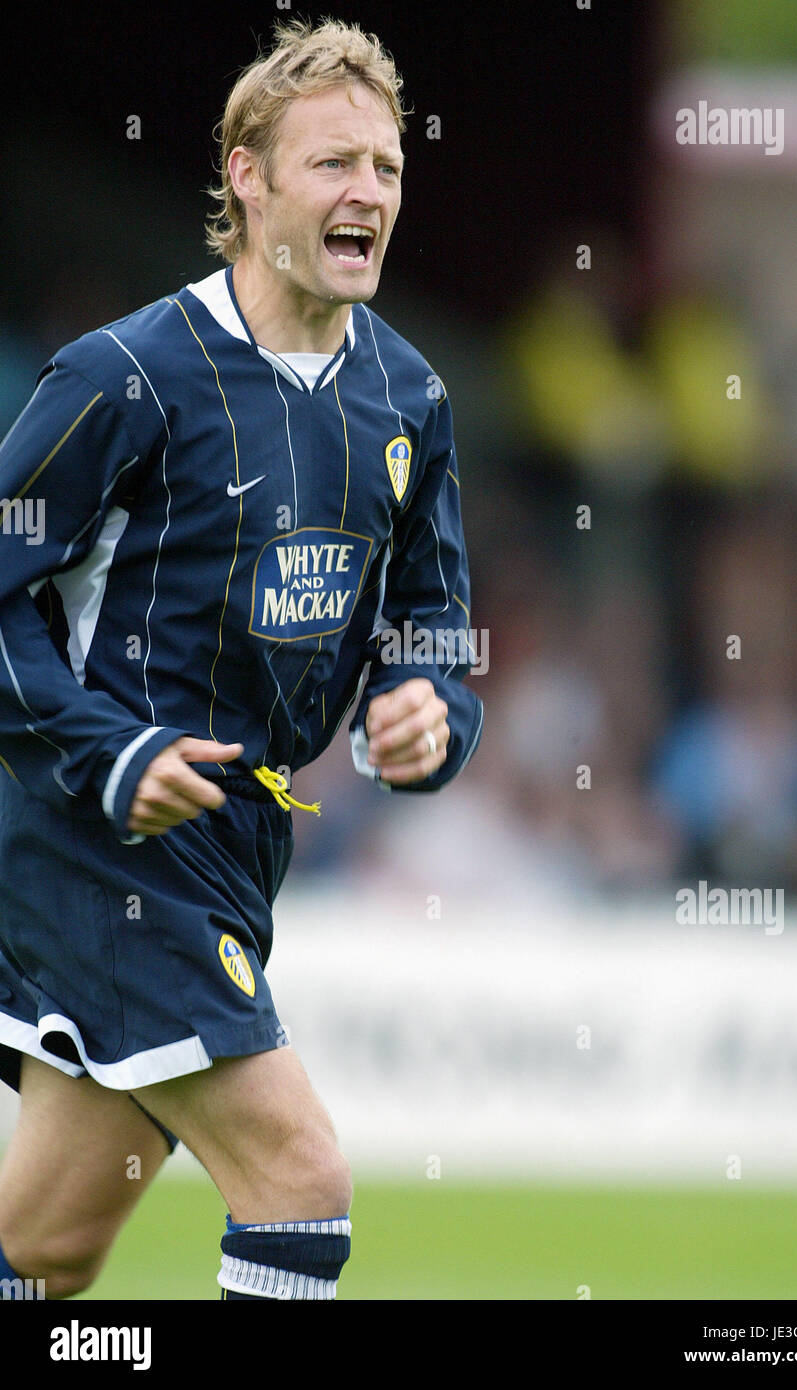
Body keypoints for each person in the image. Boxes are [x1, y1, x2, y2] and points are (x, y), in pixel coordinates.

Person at [0, 18, 482, 1301]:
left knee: (44, 1248)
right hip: (92, 841)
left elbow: (430, 631)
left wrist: (427, 715)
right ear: (245, 175)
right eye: (333, 164)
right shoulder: (125, 376)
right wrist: (110, 758)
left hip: (231, 850)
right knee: (298, 1178)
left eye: (383, 166)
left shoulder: (413, 401)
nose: (367, 193)